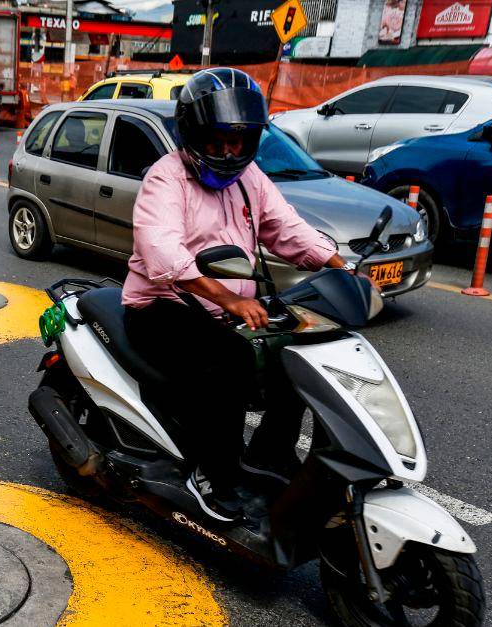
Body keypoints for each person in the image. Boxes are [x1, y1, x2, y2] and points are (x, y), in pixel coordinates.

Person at [122, 68, 355, 523]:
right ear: (192, 134)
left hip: (225, 309)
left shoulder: (250, 178)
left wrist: (338, 266)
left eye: (240, 141)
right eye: (217, 141)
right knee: (230, 362)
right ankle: (212, 474)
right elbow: (161, 251)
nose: (229, 152)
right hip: (160, 306)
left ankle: (269, 453)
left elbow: (285, 227)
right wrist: (228, 300)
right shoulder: (166, 179)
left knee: (299, 350)